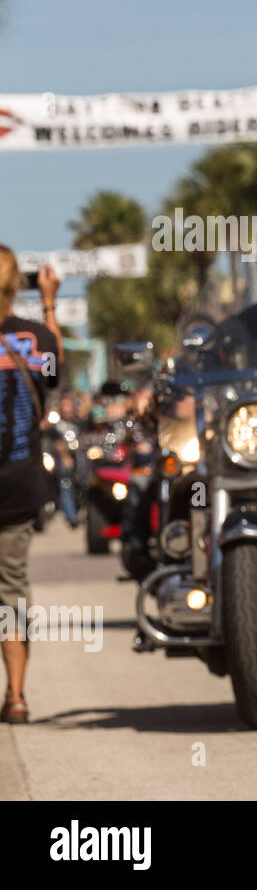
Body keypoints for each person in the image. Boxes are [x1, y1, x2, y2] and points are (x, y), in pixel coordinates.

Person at [0, 246, 64, 723]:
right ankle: (17, 695)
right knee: (11, 587)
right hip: (19, 481)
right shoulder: (35, 336)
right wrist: (49, 304)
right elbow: (55, 373)